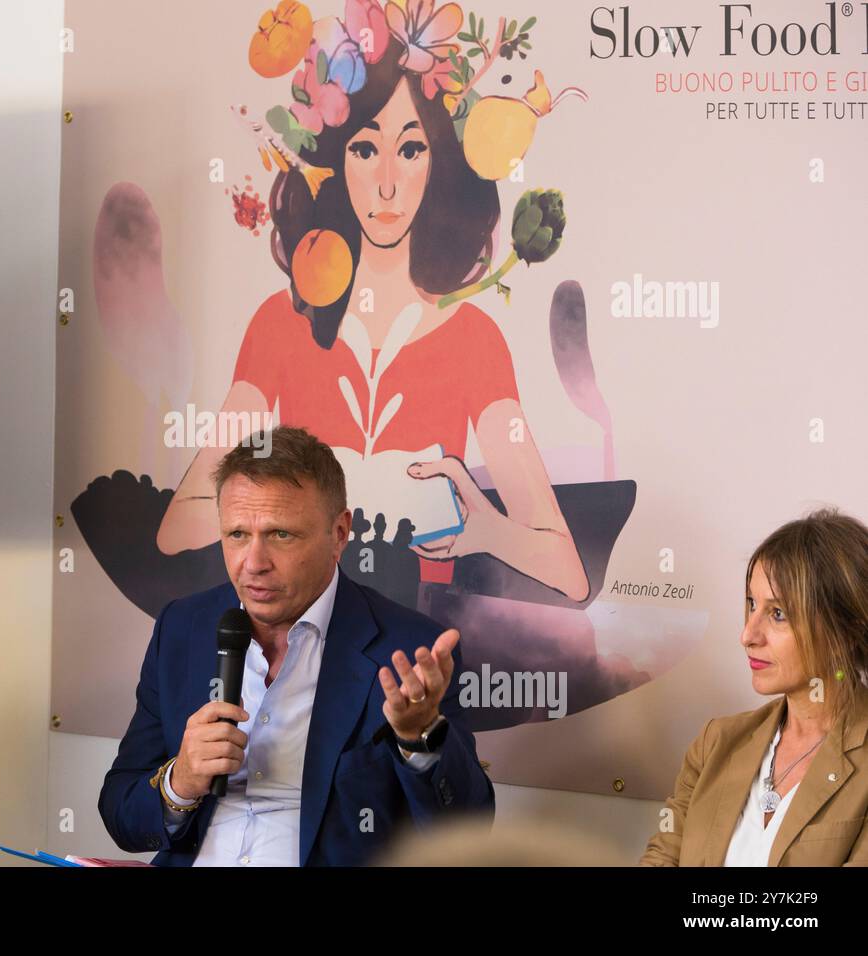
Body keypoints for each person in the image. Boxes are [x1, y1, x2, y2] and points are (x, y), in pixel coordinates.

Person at [157, 31, 587, 604]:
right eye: (364, 149)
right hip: (299, 641)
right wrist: (287, 523)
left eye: (411, 150)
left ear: (439, 164)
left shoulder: (473, 338)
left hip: (420, 652)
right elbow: (177, 524)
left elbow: (568, 570)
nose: (387, 183)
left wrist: (491, 531)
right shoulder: (281, 323)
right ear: (334, 160)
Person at [100, 426, 493, 866]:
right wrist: (180, 782)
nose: (253, 564)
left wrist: (420, 739)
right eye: (236, 535)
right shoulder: (181, 628)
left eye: (281, 535)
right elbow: (120, 813)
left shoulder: (408, 650)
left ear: (340, 532)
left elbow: (467, 834)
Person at [640, 509, 868, 866]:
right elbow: (661, 858)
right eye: (751, 605)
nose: (748, 635)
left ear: (848, 629)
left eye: (778, 614)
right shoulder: (715, 744)